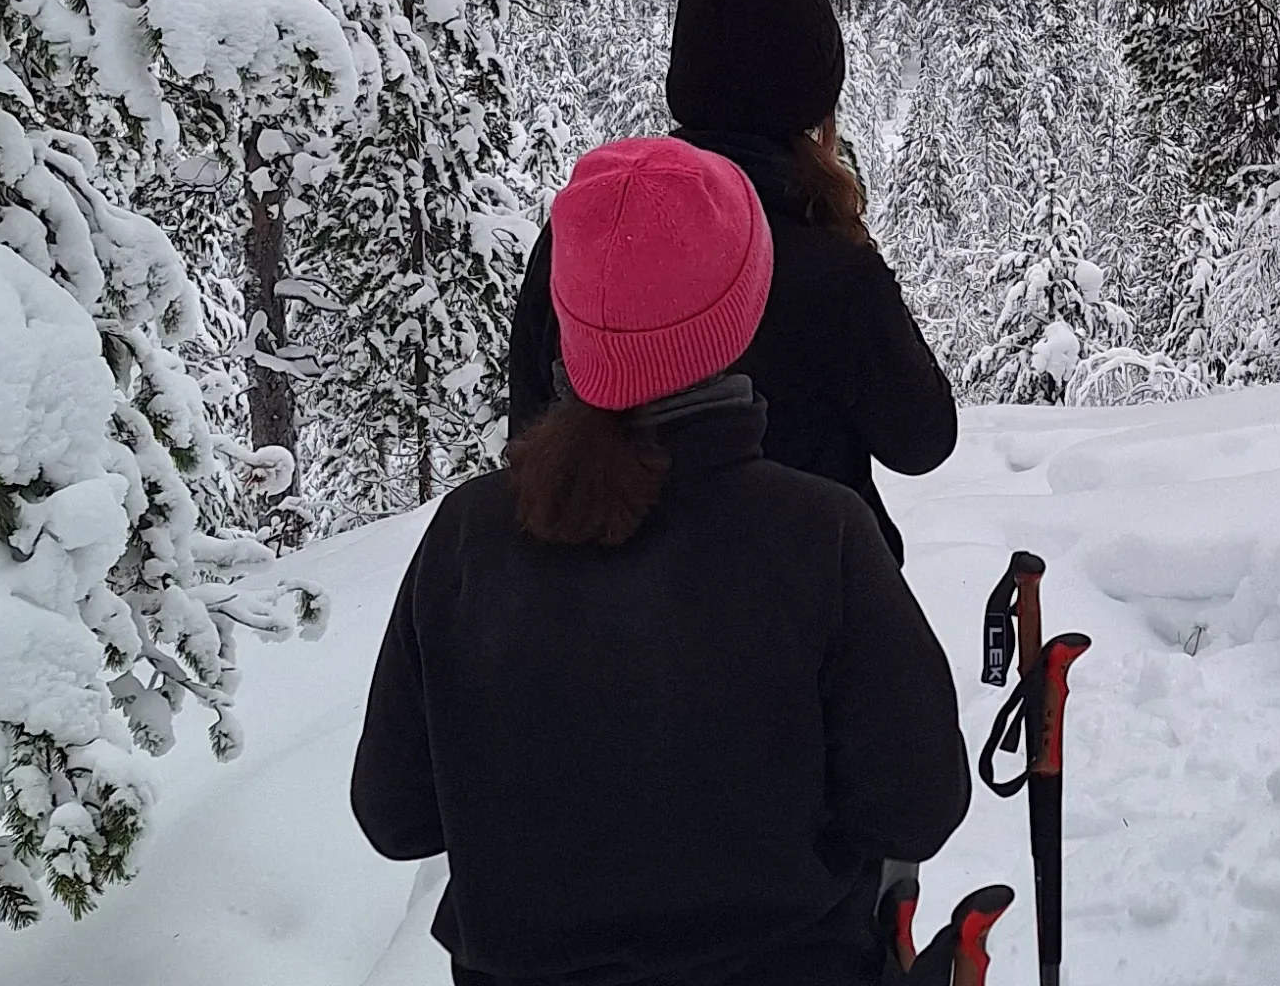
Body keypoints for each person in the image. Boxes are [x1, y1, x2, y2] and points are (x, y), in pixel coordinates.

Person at [354, 137, 971, 986]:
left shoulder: (468, 540)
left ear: (568, 321)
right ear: (741, 310)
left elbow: (396, 819)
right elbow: (918, 806)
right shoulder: (820, 536)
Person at [507, 0, 954, 565]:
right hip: (808, 606)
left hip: (600, 621)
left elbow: (530, 426)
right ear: (817, 104)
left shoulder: (590, 236)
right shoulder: (835, 268)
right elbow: (923, 441)